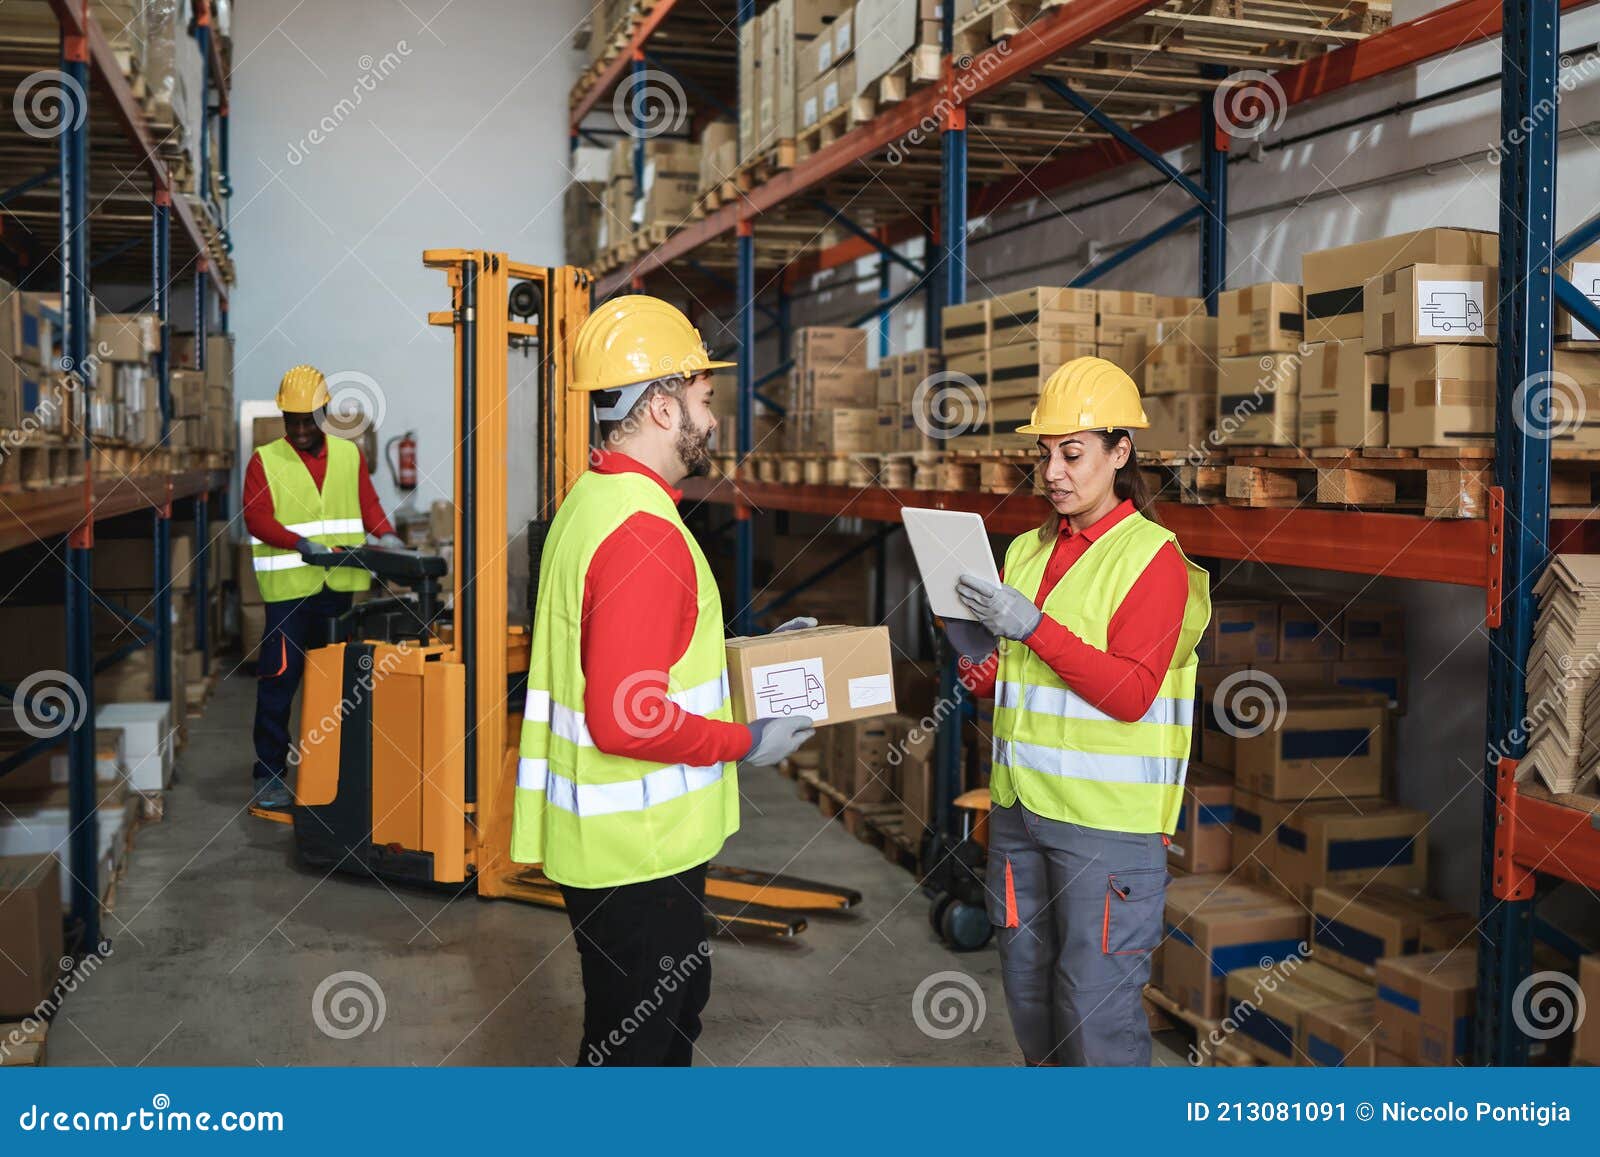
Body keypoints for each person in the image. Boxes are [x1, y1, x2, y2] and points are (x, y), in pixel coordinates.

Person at [511, 296, 815, 1067]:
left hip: (616, 854)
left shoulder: (596, 502)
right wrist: (747, 740)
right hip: (640, 859)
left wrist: (748, 656)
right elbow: (626, 716)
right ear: (658, 404)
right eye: (704, 401)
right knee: (638, 1055)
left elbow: (649, 651)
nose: (712, 420)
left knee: (659, 1031)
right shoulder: (645, 534)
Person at [948, 357, 1211, 1066]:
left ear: (1120, 452)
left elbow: (1130, 693)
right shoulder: (1027, 550)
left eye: (1073, 453)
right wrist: (976, 655)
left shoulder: (1152, 559)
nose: (1054, 473)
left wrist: (1029, 625)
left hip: (1107, 828)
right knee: (1030, 997)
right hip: (1019, 812)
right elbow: (1012, 676)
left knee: (1094, 1014)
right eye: (1044, 455)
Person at [243, 365, 399, 809]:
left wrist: (386, 534)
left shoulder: (349, 457)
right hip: (289, 594)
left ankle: (333, 773)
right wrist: (298, 543)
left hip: (339, 589)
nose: (299, 429)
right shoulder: (266, 459)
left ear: (324, 413)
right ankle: (269, 773)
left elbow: (367, 503)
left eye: (308, 419)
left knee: (339, 687)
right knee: (279, 680)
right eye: (291, 420)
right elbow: (256, 517)